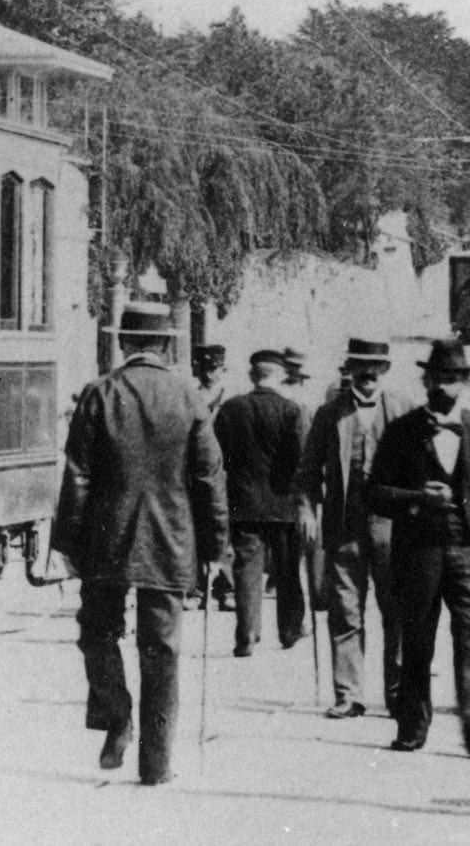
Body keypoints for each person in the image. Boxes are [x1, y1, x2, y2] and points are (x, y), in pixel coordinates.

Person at [53, 302, 228, 787]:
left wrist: (68, 542)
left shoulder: (99, 393)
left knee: (96, 632)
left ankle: (117, 717)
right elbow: (209, 478)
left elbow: (78, 476)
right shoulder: (190, 396)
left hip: (106, 538)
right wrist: (215, 548)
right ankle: (156, 765)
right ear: (167, 345)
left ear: (122, 342)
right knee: (162, 650)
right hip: (172, 541)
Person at [368, 339, 470, 756]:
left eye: (453, 379)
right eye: (439, 378)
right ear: (426, 380)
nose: (445, 387)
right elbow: (374, 492)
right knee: (417, 640)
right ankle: (412, 726)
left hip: (468, 549)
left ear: (464, 383)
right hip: (419, 551)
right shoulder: (402, 430)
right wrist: (416, 498)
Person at [295, 338, 417, 718]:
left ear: (386, 369)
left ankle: (398, 693)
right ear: (350, 368)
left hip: (393, 528)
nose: (368, 373)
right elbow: (307, 473)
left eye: (375, 366)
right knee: (345, 611)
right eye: (360, 365)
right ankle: (349, 694)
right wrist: (306, 511)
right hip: (344, 525)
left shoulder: (405, 410)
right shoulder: (329, 413)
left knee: (397, 611)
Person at [213, 350, 308, 657]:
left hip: (243, 501)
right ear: (280, 376)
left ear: (253, 376)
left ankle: (248, 631)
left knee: (246, 568)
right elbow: (301, 458)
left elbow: (217, 456)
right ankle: (290, 629)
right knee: (287, 569)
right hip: (283, 504)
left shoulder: (231, 408)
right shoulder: (292, 410)